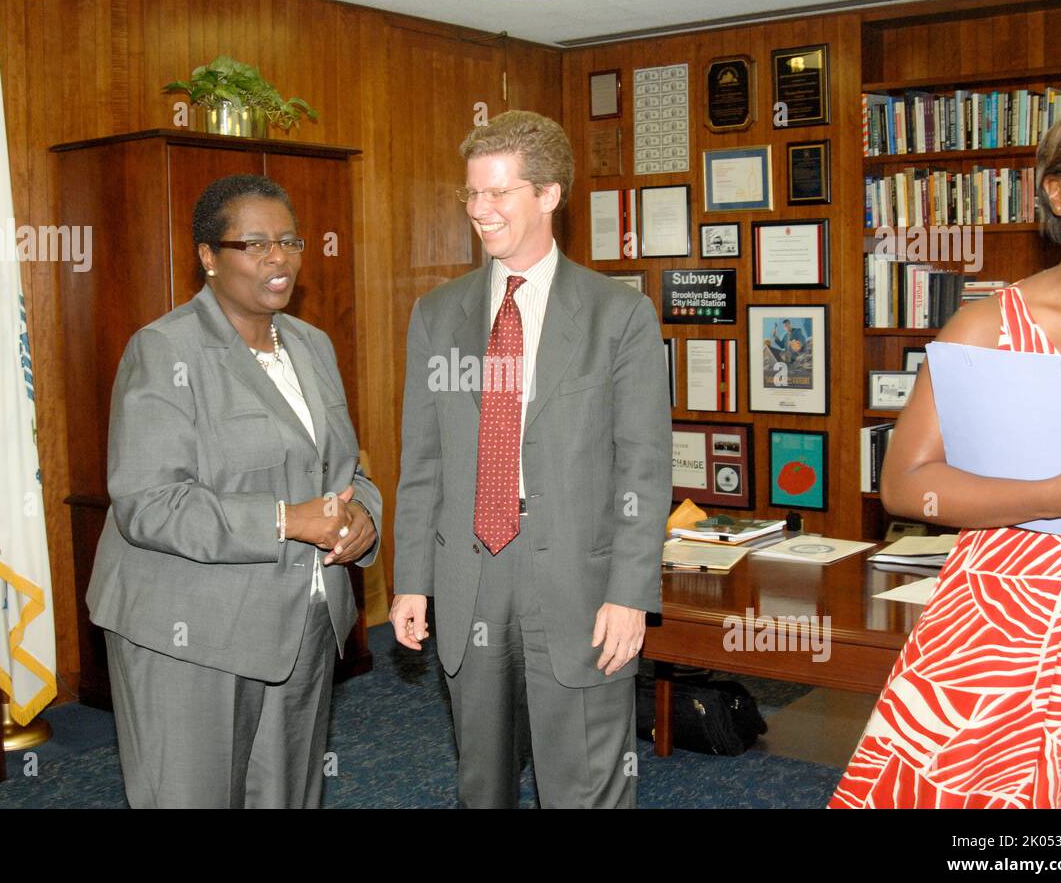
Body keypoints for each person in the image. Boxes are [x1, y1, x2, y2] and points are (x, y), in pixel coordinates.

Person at [831, 103, 1061, 808]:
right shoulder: (991, 325)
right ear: (1058, 192)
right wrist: (1053, 496)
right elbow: (904, 486)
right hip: (1008, 631)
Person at [390, 110, 672, 808]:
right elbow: (421, 462)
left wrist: (631, 591)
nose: (479, 211)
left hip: (580, 576)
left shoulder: (619, 316)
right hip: (470, 573)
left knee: (582, 781)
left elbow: (644, 466)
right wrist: (410, 581)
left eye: (498, 193)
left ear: (548, 194)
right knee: (481, 780)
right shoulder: (438, 313)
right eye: (471, 194)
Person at [86, 174, 381, 808]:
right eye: (254, 244)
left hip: (301, 619)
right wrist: (287, 520)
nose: (278, 258)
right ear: (208, 257)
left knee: (285, 796)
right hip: (190, 629)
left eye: (289, 240)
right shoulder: (163, 349)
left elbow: (344, 468)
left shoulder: (313, 345)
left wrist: (363, 517)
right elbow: (149, 504)